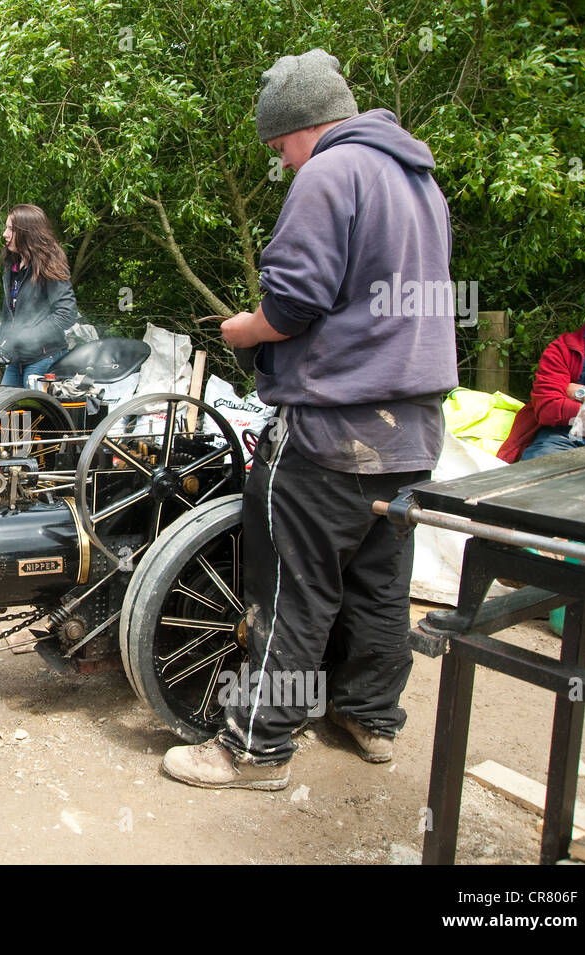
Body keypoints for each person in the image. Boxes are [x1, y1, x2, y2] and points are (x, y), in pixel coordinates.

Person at [163, 49, 458, 790]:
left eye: (279, 147)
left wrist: (244, 330)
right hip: (411, 429)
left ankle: (255, 748)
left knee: (292, 588)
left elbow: (293, 305)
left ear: (303, 125)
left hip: (333, 429)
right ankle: (370, 717)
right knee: (381, 583)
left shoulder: (331, 171)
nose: (283, 163)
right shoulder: (418, 179)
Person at [497, 270, 585, 462]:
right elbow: (548, 409)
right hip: (565, 439)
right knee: (536, 472)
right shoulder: (562, 349)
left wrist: (576, 391)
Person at [0, 204, 78, 387]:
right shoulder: (13, 265)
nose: (4, 234)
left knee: (33, 416)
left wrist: (28, 336)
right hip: (16, 360)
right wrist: (4, 341)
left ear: (27, 232)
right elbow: (12, 312)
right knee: (6, 412)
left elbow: (66, 314)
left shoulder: (49, 264)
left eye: (11, 229)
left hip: (44, 358)